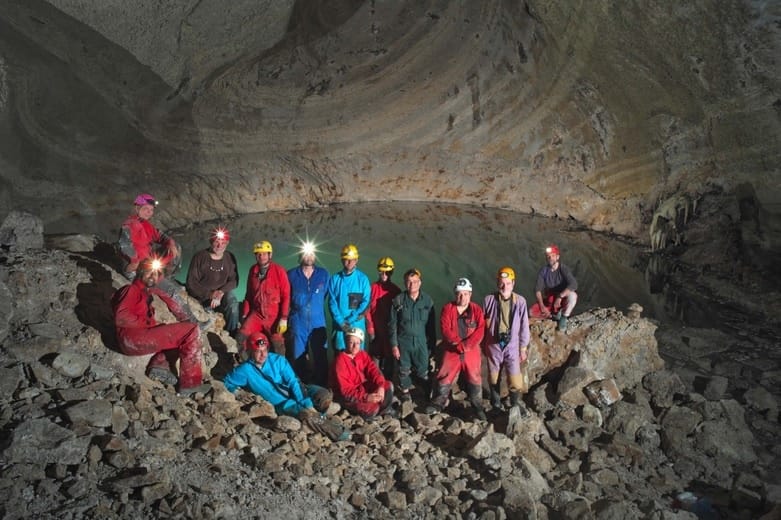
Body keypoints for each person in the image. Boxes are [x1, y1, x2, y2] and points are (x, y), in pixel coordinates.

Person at [112, 257, 211, 396]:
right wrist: (147, 325)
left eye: (156, 274)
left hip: (135, 339)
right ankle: (190, 384)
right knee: (191, 330)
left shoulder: (145, 293)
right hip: (133, 338)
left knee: (178, 336)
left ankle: (160, 365)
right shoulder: (130, 290)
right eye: (149, 272)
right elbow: (121, 317)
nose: (153, 276)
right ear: (140, 272)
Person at [224, 332, 348, 441]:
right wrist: (236, 392)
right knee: (308, 415)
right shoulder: (245, 370)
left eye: (265, 350)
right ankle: (337, 432)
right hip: (283, 404)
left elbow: (293, 382)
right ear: (250, 351)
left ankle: (319, 413)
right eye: (258, 351)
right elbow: (227, 382)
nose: (263, 354)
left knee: (324, 396)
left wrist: (306, 403)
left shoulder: (278, 360)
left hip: (299, 390)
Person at [117, 193, 198, 321]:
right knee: (170, 291)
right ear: (137, 208)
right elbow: (124, 244)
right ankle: (192, 321)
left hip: (146, 263)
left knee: (175, 247)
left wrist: (170, 243)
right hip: (135, 268)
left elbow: (161, 236)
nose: (149, 213)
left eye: (151, 210)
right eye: (145, 209)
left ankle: (168, 277)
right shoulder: (129, 224)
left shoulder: (146, 224)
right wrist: (134, 261)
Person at [428, 278, 486, 420]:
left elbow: (480, 330)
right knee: (444, 373)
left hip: (470, 350)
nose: (462, 297)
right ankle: (438, 402)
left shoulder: (476, 310)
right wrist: (457, 344)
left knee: (475, 376)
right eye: (459, 294)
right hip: (452, 348)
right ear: (455, 294)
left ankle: (477, 407)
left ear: (470, 294)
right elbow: (445, 329)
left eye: (465, 294)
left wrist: (467, 345)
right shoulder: (448, 308)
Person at [482, 267, 531, 415]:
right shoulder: (488, 300)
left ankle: (514, 403)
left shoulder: (520, 302)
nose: (505, 287)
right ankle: (496, 404)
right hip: (493, 346)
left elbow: (524, 326)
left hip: (512, 346)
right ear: (497, 282)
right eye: (502, 283)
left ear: (513, 283)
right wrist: (482, 345)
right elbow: (482, 323)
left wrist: (523, 348)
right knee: (493, 378)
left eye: (508, 283)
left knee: (516, 381)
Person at [388, 268, 437, 402]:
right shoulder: (398, 301)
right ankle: (405, 393)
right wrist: (394, 345)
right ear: (405, 283)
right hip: (403, 341)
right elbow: (392, 325)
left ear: (420, 283)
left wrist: (432, 346)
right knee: (403, 369)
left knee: (424, 369)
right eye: (409, 282)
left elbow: (431, 327)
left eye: (415, 282)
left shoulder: (427, 301)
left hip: (421, 341)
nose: (412, 285)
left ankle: (426, 392)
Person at [287, 245, 330, 385]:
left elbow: (325, 294)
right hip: (298, 321)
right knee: (298, 356)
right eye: (306, 254)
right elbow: (286, 297)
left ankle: (321, 385)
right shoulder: (291, 275)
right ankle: (302, 386)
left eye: (312, 254)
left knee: (320, 355)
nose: (309, 257)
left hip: (317, 321)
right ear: (300, 256)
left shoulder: (323, 274)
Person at [238, 240, 291, 356]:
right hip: (257, 314)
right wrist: (245, 314)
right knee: (241, 337)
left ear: (270, 255)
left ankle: (277, 371)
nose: (261, 256)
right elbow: (249, 295)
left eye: (264, 253)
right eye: (258, 254)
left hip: (274, 315)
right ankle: (249, 366)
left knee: (278, 346)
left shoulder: (279, 271)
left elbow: (286, 295)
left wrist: (284, 318)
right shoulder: (253, 271)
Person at [331, 327, 395, 420]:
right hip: (348, 395)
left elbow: (374, 371)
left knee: (388, 385)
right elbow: (345, 391)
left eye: (357, 343)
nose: (355, 346)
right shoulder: (340, 361)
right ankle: (378, 409)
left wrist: (380, 386)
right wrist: (366, 397)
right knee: (372, 409)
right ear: (345, 342)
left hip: (362, 388)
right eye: (351, 342)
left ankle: (381, 408)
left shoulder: (362, 354)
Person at [185, 226, 240, 335]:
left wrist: (220, 292)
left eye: (223, 242)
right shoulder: (200, 257)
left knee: (233, 305)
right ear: (211, 241)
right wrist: (210, 294)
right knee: (206, 319)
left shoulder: (229, 257)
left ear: (227, 243)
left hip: (221, 295)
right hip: (203, 296)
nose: (220, 246)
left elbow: (234, 280)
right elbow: (191, 282)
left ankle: (232, 334)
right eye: (216, 242)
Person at [327, 243, 371, 352]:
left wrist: (350, 320)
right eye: (346, 259)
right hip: (339, 327)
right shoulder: (335, 279)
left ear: (356, 260)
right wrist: (341, 322)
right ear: (342, 260)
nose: (349, 262)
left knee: (357, 358)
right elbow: (332, 303)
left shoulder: (363, 279)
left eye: (352, 259)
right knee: (340, 356)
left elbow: (365, 302)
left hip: (357, 325)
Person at [365, 256, 401, 379]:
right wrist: (370, 331)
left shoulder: (396, 291)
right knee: (374, 362)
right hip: (376, 332)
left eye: (388, 272)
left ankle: (388, 386)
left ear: (392, 272)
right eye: (382, 272)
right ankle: (375, 385)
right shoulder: (371, 289)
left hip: (390, 334)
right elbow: (367, 310)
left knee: (389, 363)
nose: (384, 274)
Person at [530, 244, 578, 331]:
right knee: (531, 312)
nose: (550, 258)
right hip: (550, 300)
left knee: (573, 296)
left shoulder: (563, 269)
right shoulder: (544, 271)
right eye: (548, 256)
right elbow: (537, 290)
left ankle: (563, 317)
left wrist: (560, 296)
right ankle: (552, 316)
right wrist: (542, 306)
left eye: (552, 256)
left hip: (562, 300)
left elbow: (574, 284)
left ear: (557, 257)